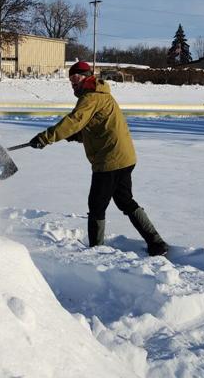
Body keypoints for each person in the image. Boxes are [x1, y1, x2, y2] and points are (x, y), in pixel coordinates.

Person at [24, 61, 169, 255]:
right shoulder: (101, 94)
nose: (73, 83)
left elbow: (74, 121)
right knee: (125, 201)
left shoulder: (91, 97)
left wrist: (45, 138)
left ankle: (95, 252)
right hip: (124, 157)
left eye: (76, 78)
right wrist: (76, 135)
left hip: (110, 160)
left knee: (97, 205)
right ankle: (156, 242)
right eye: (70, 79)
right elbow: (97, 126)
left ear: (87, 77)